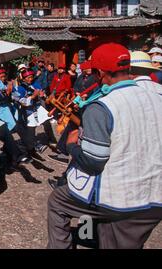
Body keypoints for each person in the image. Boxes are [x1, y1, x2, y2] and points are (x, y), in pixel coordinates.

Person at [47, 43, 162, 249]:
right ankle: (90, 234)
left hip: (120, 199)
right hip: (155, 197)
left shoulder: (102, 106)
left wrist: (73, 145)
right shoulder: (156, 96)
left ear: (101, 73)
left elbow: (93, 162)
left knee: (57, 200)